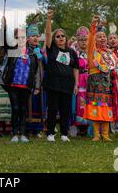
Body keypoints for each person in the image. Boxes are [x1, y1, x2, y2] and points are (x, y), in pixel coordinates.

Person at [0, 18, 42, 143]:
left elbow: (36, 72)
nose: (21, 40)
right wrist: (4, 27)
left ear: (26, 39)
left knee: (23, 109)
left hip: (26, 85)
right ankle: (14, 133)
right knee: (16, 108)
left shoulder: (32, 53)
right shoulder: (12, 51)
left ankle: (23, 133)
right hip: (13, 84)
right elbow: (4, 43)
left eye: (23, 37)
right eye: (18, 37)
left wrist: (37, 86)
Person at [84, 15, 118, 141]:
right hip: (95, 82)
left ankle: (105, 134)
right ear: (95, 40)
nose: (102, 38)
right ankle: (96, 134)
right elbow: (90, 38)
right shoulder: (92, 51)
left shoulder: (110, 53)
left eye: (104, 37)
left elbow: (114, 66)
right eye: (99, 37)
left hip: (107, 83)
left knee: (106, 107)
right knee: (96, 106)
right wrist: (94, 25)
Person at [43, 10, 79, 142]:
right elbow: (47, 34)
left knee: (66, 110)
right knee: (52, 109)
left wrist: (76, 84)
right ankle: (50, 133)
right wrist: (48, 20)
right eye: (57, 36)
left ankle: (64, 133)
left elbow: (75, 68)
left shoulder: (72, 52)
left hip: (67, 84)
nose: (61, 38)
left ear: (66, 37)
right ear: (54, 39)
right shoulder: (51, 48)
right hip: (53, 83)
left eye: (62, 36)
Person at [72, 26, 91, 136]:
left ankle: (89, 125)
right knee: (78, 103)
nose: (83, 42)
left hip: (90, 81)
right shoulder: (74, 53)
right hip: (78, 80)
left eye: (85, 39)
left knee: (89, 102)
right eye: (81, 40)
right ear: (77, 41)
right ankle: (77, 126)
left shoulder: (92, 52)